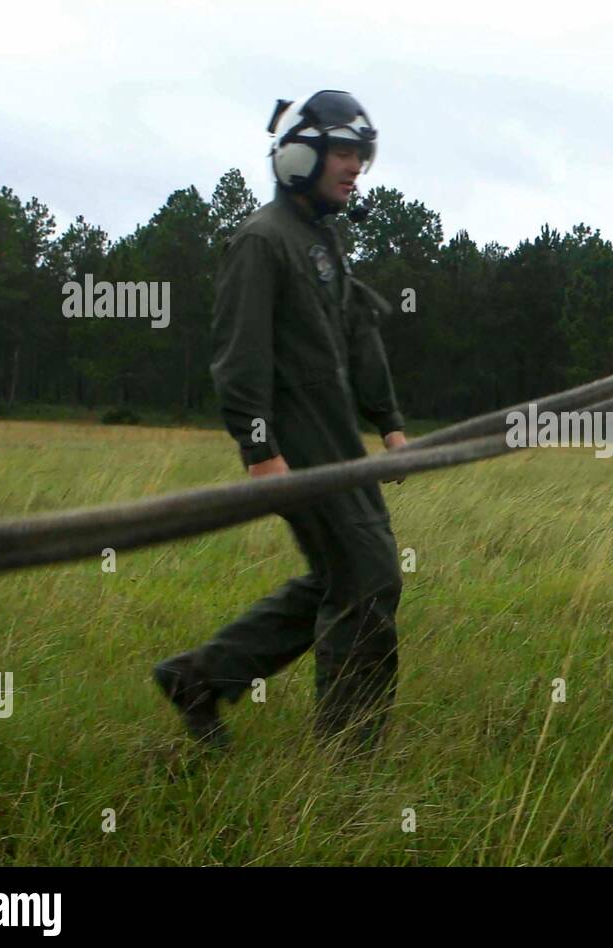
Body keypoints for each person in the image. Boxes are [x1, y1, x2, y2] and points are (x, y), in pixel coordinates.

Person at [153, 90, 407, 756]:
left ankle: (199, 678)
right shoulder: (261, 240)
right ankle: (349, 754)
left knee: (339, 578)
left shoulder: (322, 240)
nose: (354, 167)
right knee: (369, 578)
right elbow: (239, 355)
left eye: (360, 155)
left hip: (337, 440)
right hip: (296, 444)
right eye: (342, 152)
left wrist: (388, 422)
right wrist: (260, 449)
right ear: (300, 157)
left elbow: (359, 332)